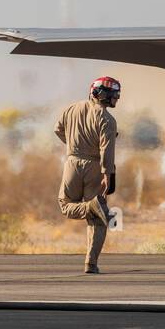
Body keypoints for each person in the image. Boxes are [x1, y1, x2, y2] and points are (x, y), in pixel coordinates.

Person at [55, 76, 120, 274]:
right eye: (112, 94)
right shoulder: (107, 119)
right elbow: (107, 150)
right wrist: (107, 174)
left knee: (65, 206)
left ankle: (89, 208)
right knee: (98, 219)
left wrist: (75, 145)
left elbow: (58, 130)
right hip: (96, 166)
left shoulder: (71, 109)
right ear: (100, 94)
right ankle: (90, 263)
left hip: (72, 163)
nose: (115, 98)